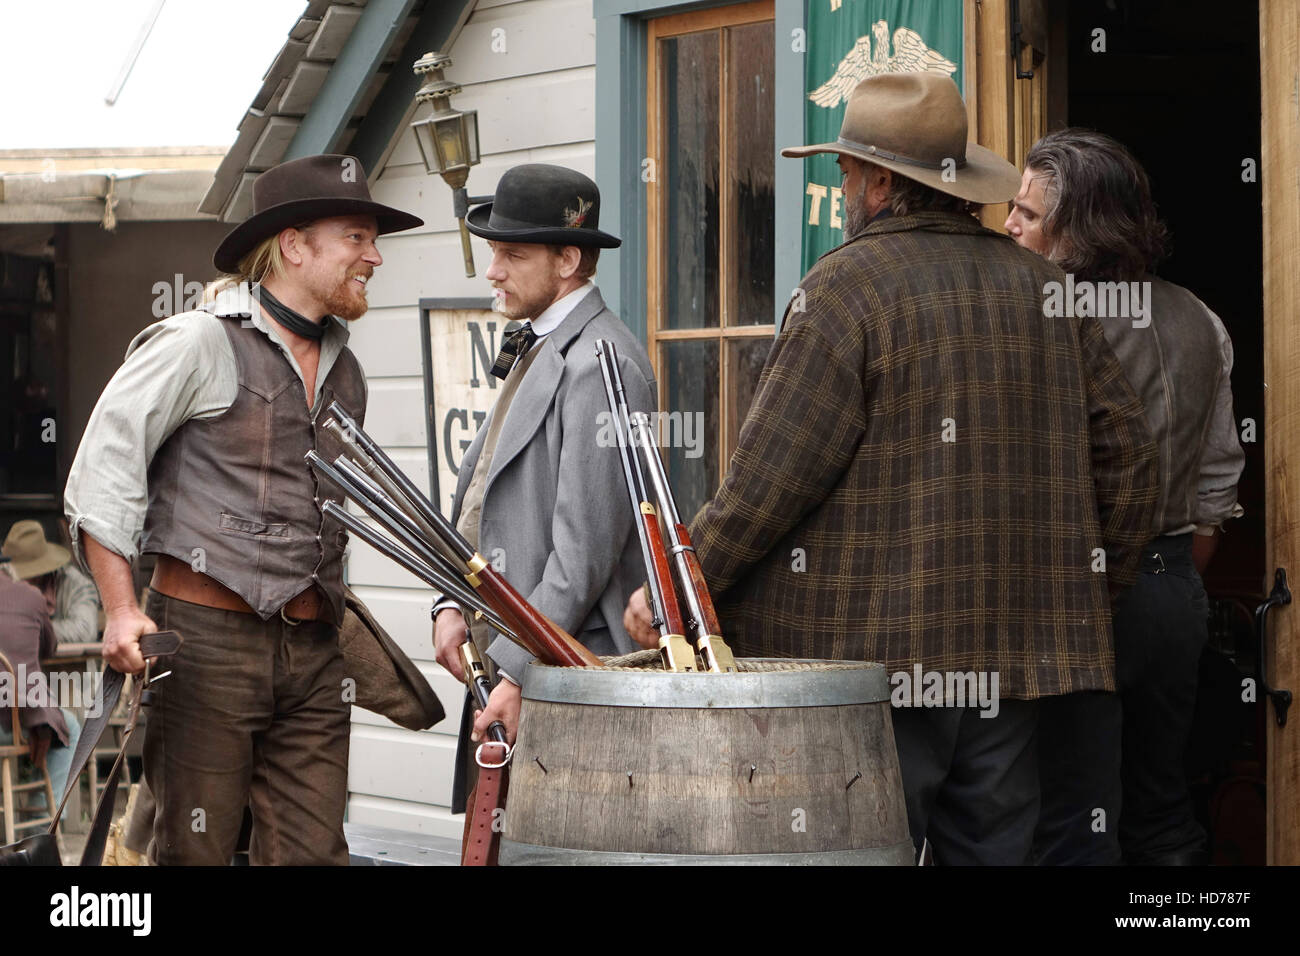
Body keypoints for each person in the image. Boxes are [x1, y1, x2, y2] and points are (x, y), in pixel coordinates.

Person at [624, 73, 1159, 865]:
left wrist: (676, 588)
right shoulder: (1048, 289)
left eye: (844, 172)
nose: (841, 188)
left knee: (862, 854)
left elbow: (767, 486)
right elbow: (1131, 461)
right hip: (1013, 662)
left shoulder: (842, 290)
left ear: (878, 182)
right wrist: (1081, 587)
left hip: (866, 669)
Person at [64, 153, 423, 865]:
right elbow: (105, 468)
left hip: (316, 651)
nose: (374, 256)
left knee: (312, 856)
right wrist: (119, 608)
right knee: (194, 851)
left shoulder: (345, 370)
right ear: (294, 245)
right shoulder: (198, 341)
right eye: (356, 236)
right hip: (205, 644)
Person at [1007, 128, 1245, 865]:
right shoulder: (1200, 318)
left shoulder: (1041, 317)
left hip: (1072, 599)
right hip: (1172, 593)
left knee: (1072, 819)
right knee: (1161, 810)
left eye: (1025, 213)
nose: (1007, 224)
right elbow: (1216, 488)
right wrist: (1169, 581)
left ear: (1077, 230)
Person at [429, 164, 655, 809]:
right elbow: (479, 495)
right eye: (494, 251)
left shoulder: (601, 363)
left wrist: (522, 676)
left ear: (568, 259)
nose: (493, 270)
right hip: (508, 658)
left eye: (511, 254)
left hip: (562, 674)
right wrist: (449, 604)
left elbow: (582, 558)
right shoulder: (543, 344)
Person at [0, 557, 82, 805]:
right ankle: (40, 821)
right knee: (69, 729)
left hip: (12, 718)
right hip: (14, 721)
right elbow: (49, 647)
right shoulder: (31, 597)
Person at [3, 520, 101, 646]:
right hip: (21, 664)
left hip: (72, 665)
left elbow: (84, 631)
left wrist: (29, 631)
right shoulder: (7, 582)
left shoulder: (76, 584)